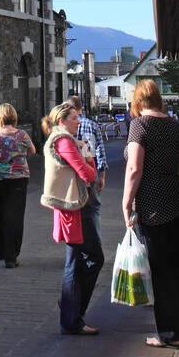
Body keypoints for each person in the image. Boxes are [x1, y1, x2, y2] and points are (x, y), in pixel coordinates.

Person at [122, 79, 179, 349]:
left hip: (152, 201)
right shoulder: (174, 125)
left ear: (138, 100)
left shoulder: (140, 125)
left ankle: (169, 332)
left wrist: (127, 202)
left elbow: (135, 168)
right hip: (176, 197)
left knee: (160, 269)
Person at [41, 101, 100, 336]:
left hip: (75, 206)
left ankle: (71, 311)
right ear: (62, 121)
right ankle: (71, 313)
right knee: (85, 259)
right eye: (74, 118)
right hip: (74, 208)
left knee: (77, 259)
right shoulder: (63, 141)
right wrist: (89, 159)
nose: (78, 121)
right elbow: (87, 173)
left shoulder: (66, 140)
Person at [0, 103, 35, 267]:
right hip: (18, 178)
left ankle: (0, 250)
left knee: (1, 214)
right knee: (15, 216)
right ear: (14, 117)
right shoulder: (21, 135)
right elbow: (32, 150)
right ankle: (11, 256)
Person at [69, 95, 108, 245]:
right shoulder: (91, 125)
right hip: (90, 172)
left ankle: (77, 244)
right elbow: (100, 151)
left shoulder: (66, 126)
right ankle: (95, 243)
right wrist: (102, 175)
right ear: (81, 108)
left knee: (76, 210)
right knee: (93, 209)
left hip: (73, 173)